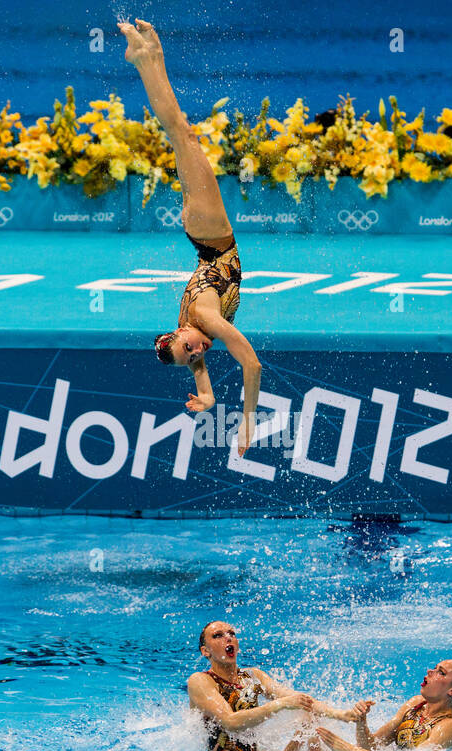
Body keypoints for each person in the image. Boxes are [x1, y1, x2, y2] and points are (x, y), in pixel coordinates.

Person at [118, 18, 261, 456]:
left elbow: (252, 365)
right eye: (193, 353)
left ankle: (145, 59)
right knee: (179, 131)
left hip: (212, 235)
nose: (198, 350)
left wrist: (248, 425)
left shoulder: (205, 319)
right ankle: (150, 57)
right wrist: (211, 398)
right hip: (204, 238)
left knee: (179, 129)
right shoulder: (192, 340)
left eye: (189, 347)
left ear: (179, 332)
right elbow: (199, 367)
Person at [188, 620, 370, 751]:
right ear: (205, 651)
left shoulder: (253, 676)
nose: (228, 638)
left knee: (309, 720)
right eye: (218, 636)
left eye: (232, 634)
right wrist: (279, 704)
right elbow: (230, 722)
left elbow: (297, 699)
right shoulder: (200, 681)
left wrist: (343, 715)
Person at [315, 659, 452, 751]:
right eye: (435, 668)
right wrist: (361, 721)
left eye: (440, 672)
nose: (430, 671)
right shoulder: (416, 704)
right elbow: (370, 747)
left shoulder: (449, 727)